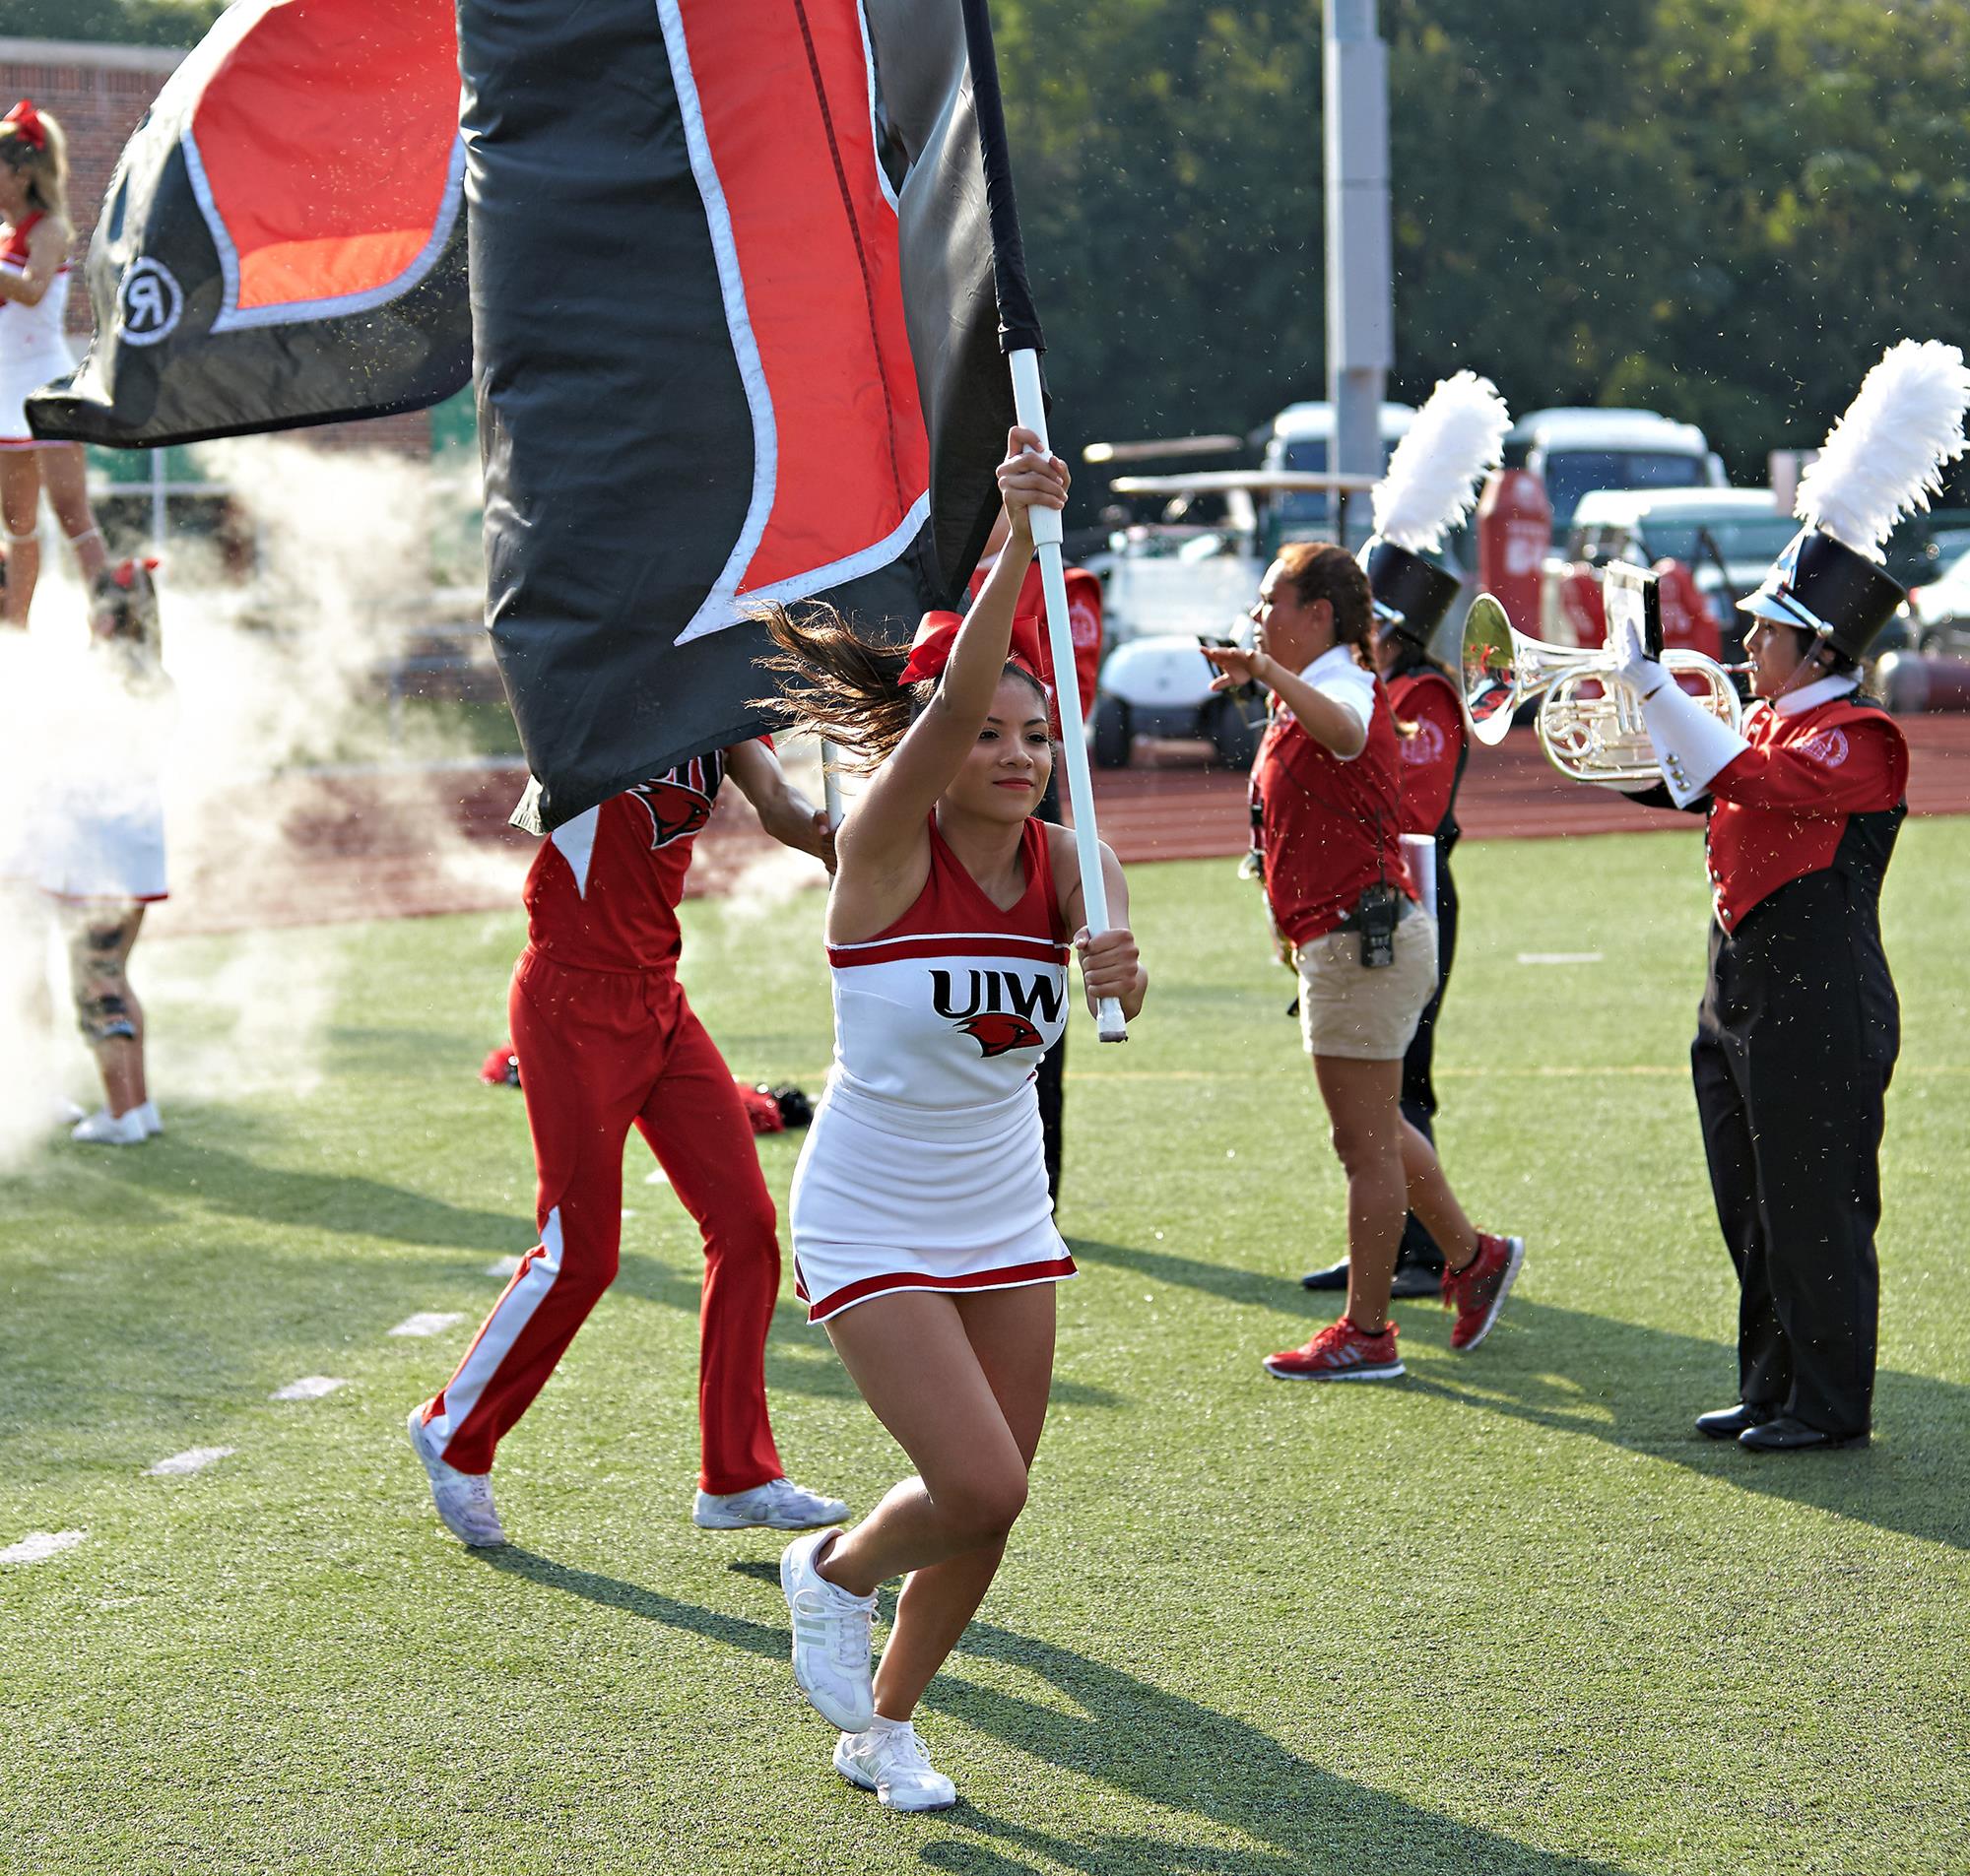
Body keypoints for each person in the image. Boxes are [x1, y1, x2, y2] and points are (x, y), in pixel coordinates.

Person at [759, 429, 1145, 1812]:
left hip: (1004, 1208)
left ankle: (883, 1725)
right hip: (871, 1207)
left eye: (1040, 734)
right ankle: (832, 1571)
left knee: (990, 1503)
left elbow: (1118, 993)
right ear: (933, 739)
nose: (1020, 750)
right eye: (990, 731)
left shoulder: (1070, 863)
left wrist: (1122, 970)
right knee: (979, 1478)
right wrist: (1011, 534)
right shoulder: (883, 846)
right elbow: (954, 698)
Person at [1607, 339, 1968, 1452]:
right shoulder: (1768, 720)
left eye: (1764, 629)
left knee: (1815, 1210)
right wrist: (1614, 712)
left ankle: (1828, 1402)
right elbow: (1689, 784)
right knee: (1750, 1203)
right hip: (1741, 988)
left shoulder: (1857, 735)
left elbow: (1742, 778)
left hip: (1818, 996)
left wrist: (1656, 685)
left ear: (1811, 644)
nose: (1746, 642)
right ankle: (1768, 1386)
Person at [407, 739, 848, 1545]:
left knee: (747, 1230)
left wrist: (842, 837)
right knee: (582, 1252)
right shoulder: (598, 692)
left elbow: (780, 805)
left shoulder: (720, 704)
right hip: (568, 999)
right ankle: (452, 1428)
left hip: (658, 999)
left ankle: (737, 1475)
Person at [1203, 544, 1520, 1382]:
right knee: (1378, 1129)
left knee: (1365, 1146)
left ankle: (1369, 1333)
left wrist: (1266, 669)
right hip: (1353, 940)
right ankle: (1473, 1257)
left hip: (1361, 943)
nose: (1262, 610)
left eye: (1276, 599)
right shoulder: (1331, 675)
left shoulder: (1344, 684)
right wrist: (1265, 677)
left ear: (1319, 615)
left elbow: (1344, 730)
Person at [1303, 542, 1467, 1299]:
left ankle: (1429, 1251)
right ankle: (1385, 1237)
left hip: (1403, 894)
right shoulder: (1363, 686)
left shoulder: (1423, 695)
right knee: (1369, 1095)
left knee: (1400, 1085)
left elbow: (1413, 810)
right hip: (1350, 899)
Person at [967, 508, 1103, 1203]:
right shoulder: (936, 580)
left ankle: (1035, 1186)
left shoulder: (1061, 580)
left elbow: (1061, 695)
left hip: (1023, 797)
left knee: (1031, 998)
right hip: (945, 805)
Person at [40, 557, 170, 1145]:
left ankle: (121, 1114)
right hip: (135, 843)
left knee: (95, 978)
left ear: (107, 618)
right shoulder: (154, 673)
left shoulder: (98, 674)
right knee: (115, 971)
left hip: (98, 845)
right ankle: (138, 1108)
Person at [0, 99, 108, 627]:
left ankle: (110, 621)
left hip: (45, 385)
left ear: (20, 175)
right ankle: (15, 634)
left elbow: (31, 289)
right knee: (18, 523)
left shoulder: (50, 229)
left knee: (71, 513)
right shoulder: (2, 236)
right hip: (4, 395)